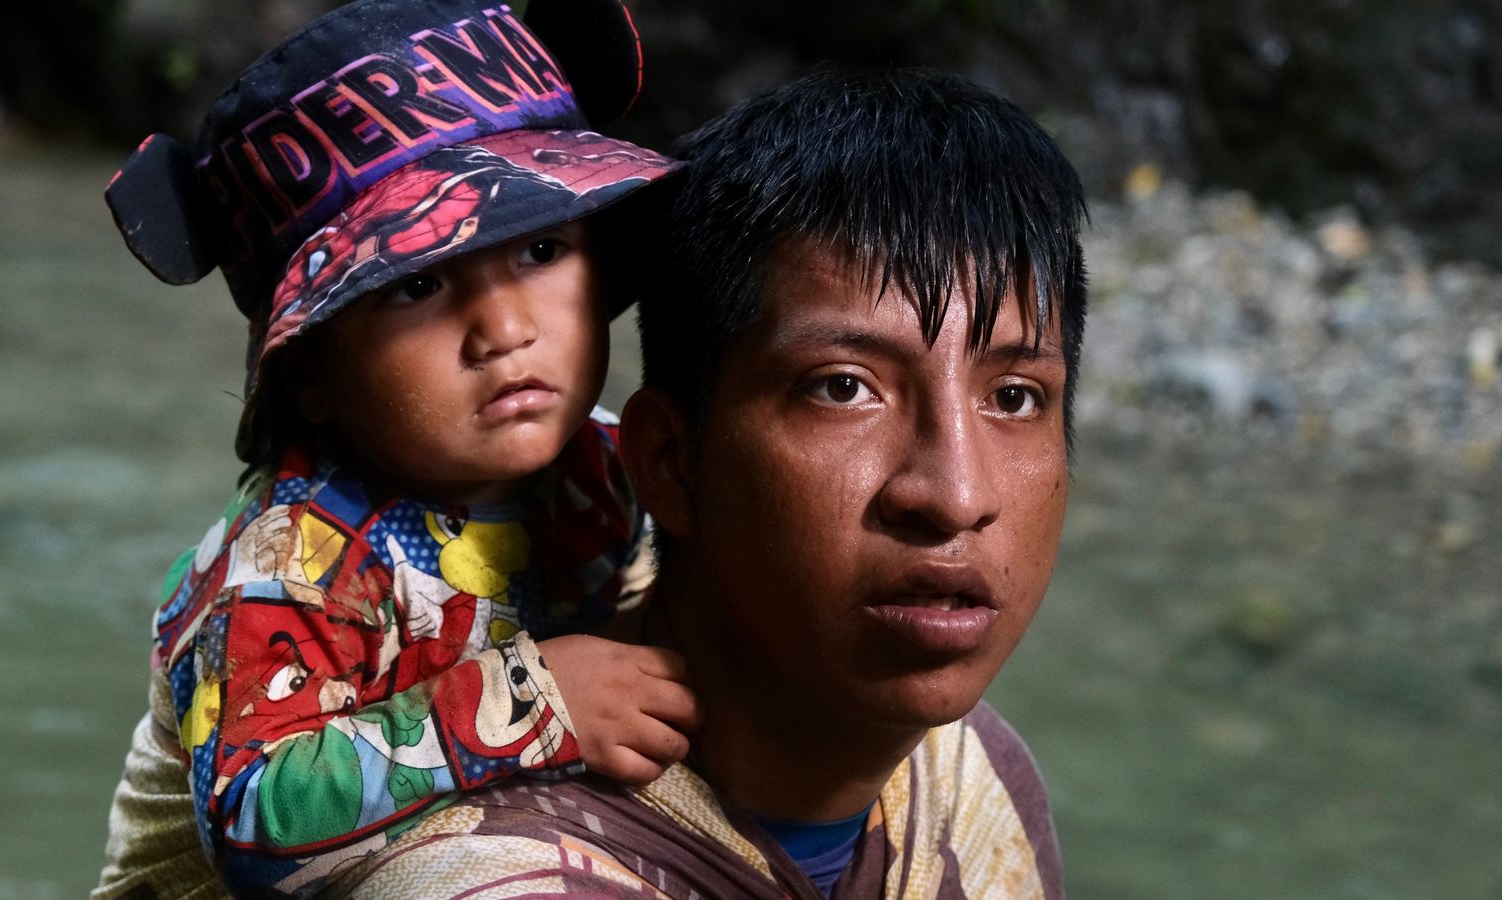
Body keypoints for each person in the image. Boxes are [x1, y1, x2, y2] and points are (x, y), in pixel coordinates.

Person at [331, 67, 1088, 899]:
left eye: (1014, 398)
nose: (955, 495)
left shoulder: (976, 780)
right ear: (667, 460)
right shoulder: (493, 878)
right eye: (842, 386)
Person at [91, 0, 700, 896]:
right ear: (309, 374)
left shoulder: (605, 459)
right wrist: (525, 701)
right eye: (415, 283)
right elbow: (253, 816)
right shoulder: (290, 563)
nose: (503, 329)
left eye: (540, 247)